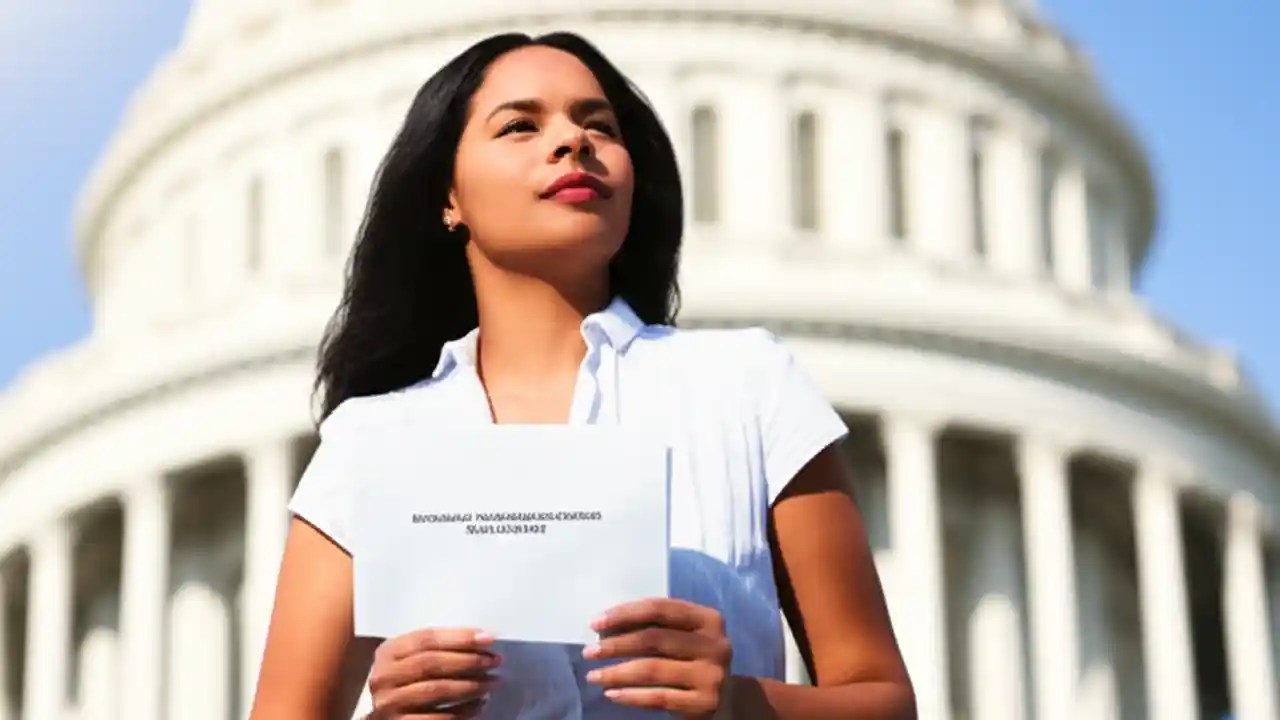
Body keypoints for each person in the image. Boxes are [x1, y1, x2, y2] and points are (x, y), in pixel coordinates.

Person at [250, 31, 914, 720]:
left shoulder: (748, 388)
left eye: (598, 125)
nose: (573, 142)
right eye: (520, 125)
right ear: (449, 196)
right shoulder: (373, 442)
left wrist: (738, 703)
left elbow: (884, 700)